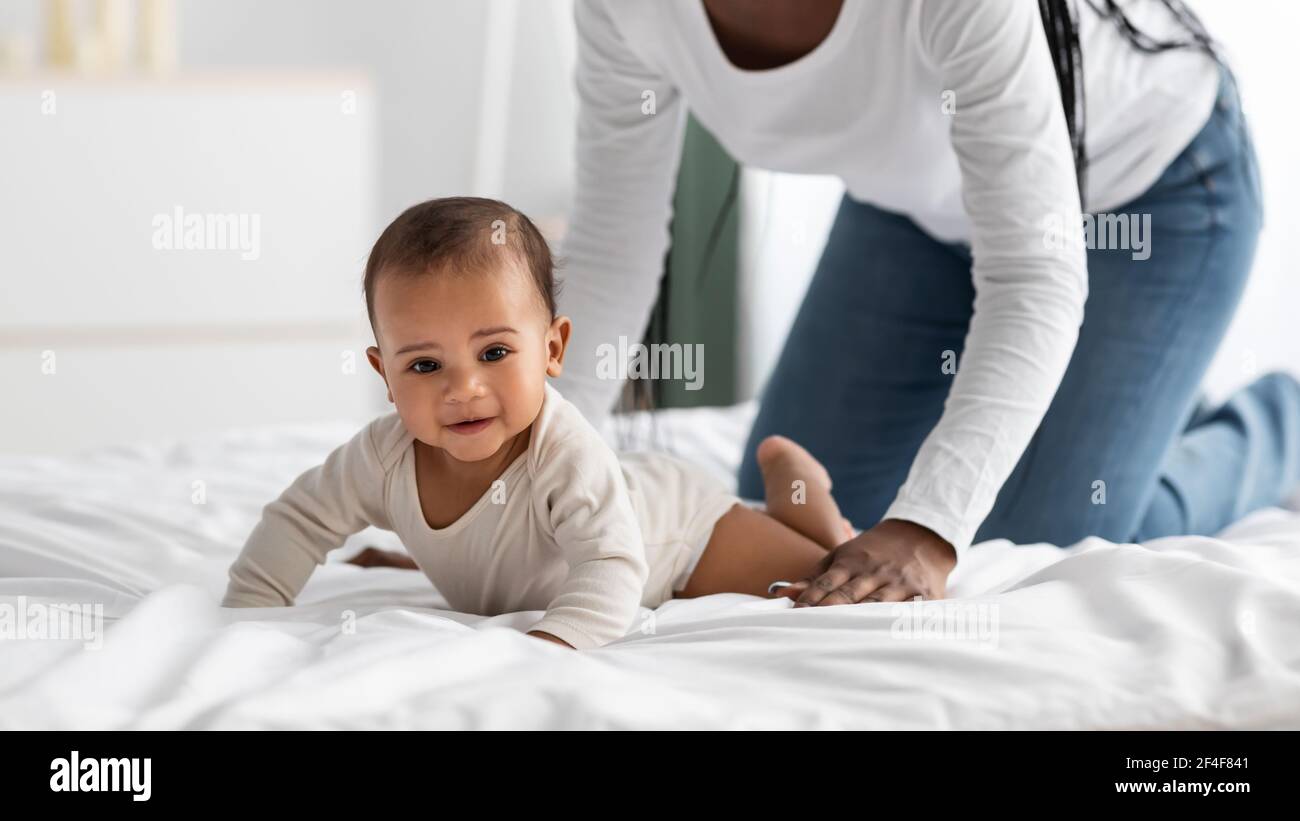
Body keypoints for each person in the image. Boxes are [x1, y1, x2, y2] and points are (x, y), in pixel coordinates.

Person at [551, 0, 1299, 607]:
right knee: (784, 508)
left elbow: (1032, 273)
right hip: (919, 208)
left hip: (1148, 194)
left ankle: (1276, 422)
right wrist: (539, 462)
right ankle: (1135, 396)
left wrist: (927, 528)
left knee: (1036, 539)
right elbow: (614, 249)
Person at [221, 197, 860, 650]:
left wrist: (553, 644)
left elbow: (611, 565)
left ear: (552, 350)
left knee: (818, 579)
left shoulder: (562, 452)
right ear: (383, 374)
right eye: (423, 364)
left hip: (673, 534)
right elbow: (299, 518)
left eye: (494, 353)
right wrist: (245, 614)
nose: (462, 389)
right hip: (597, 516)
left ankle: (804, 505)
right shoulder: (381, 458)